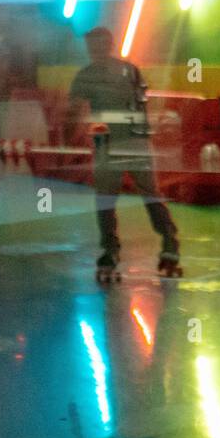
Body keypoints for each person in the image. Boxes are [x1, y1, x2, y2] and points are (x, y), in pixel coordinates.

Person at [65, 27, 181, 277]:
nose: (95, 50)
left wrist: (74, 129)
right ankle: (166, 242)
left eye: (96, 45)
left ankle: (115, 248)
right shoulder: (127, 71)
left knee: (112, 198)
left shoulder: (89, 75)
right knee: (144, 195)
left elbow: (73, 109)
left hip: (117, 143)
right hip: (128, 142)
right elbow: (142, 102)